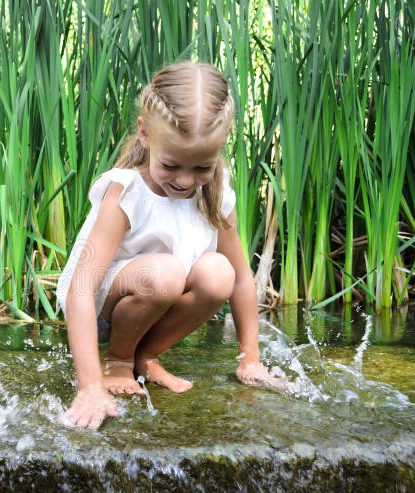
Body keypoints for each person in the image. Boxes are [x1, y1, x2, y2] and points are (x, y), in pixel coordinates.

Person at [56, 61, 285, 429]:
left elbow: (242, 280)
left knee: (219, 273)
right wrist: (89, 387)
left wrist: (250, 359)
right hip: (97, 309)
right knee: (165, 273)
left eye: (201, 168)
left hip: (153, 305)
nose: (184, 181)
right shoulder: (126, 192)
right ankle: (117, 362)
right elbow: (81, 289)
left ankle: (143, 357)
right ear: (145, 134)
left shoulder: (217, 195)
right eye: (171, 165)